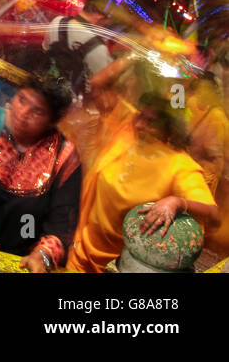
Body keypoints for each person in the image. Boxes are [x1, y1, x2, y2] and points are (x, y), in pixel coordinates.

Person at [66, 65, 219, 272]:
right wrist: (136, 54)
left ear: (169, 127)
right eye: (141, 116)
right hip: (79, 254)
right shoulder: (127, 128)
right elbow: (97, 85)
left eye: (151, 122)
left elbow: (213, 213)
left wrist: (177, 202)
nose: (139, 125)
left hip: (118, 266)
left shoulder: (180, 166)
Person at [0, 75, 81, 272]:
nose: (22, 113)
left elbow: (60, 223)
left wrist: (42, 255)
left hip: (21, 260)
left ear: (51, 122)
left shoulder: (65, 156)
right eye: (21, 100)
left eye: (37, 111)